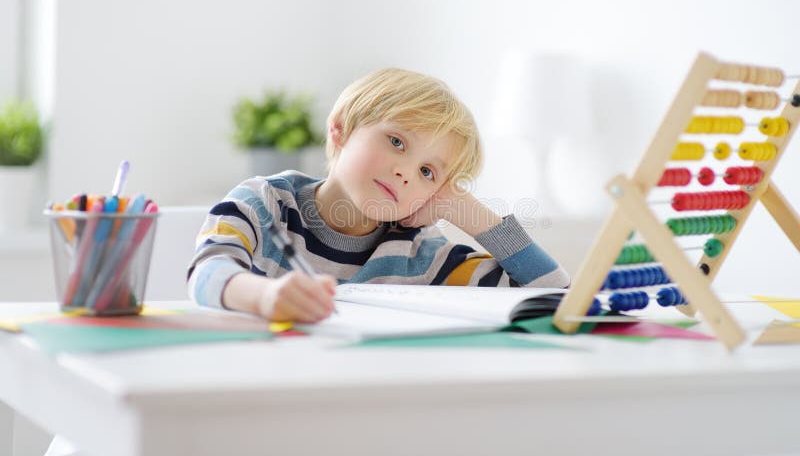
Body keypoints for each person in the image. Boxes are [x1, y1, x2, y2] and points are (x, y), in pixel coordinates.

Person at [187, 68, 570, 322]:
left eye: (427, 172)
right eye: (397, 141)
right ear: (341, 130)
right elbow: (207, 273)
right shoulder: (263, 202)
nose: (406, 173)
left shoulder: (422, 255)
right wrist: (265, 298)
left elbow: (552, 292)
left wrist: (463, 208)